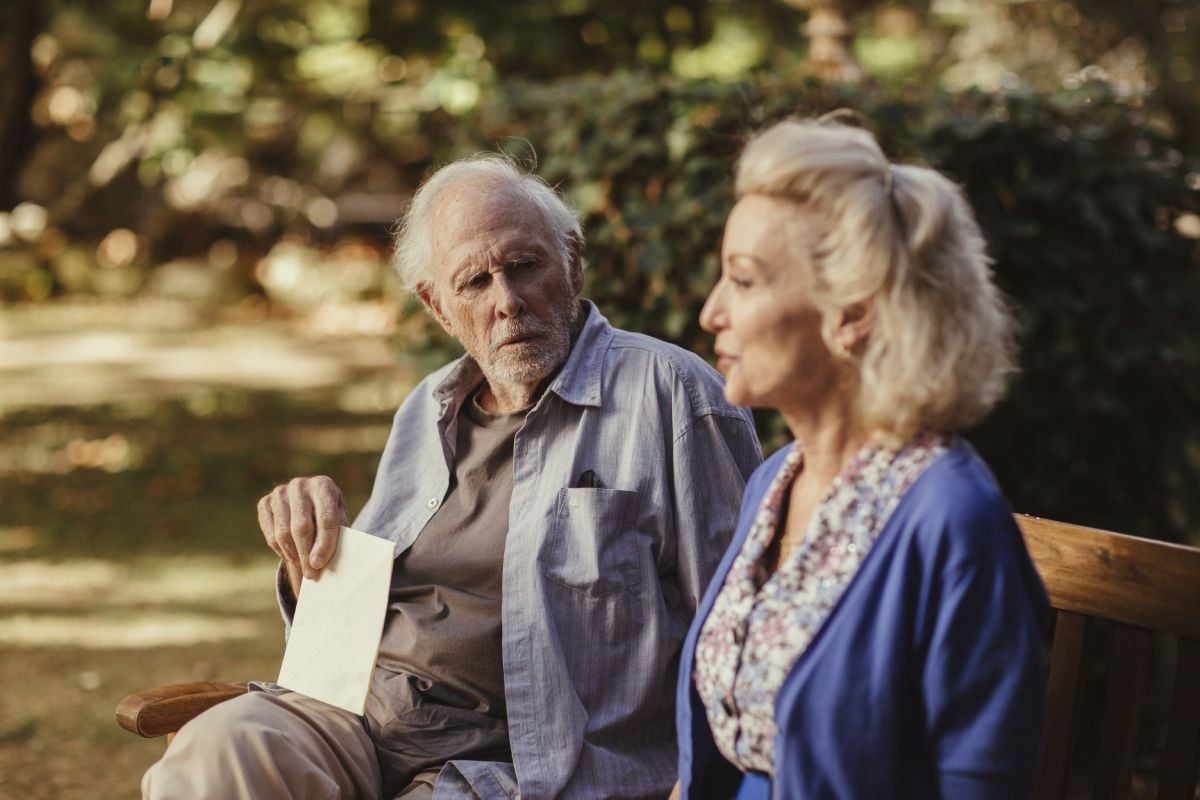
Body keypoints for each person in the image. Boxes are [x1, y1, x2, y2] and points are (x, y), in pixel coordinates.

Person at [143, 155, 763, 800]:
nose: (507, 301)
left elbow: (739, 626)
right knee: (219, 748)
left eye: (525, 266)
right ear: (438, 306)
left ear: (572, 261)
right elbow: (360, 625)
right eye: (475, 281)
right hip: (354, 720)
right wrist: (309, 547)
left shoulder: (672, 395)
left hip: (513, 767)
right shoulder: (427, 407)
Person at [674, 118, 1048, 799]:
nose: (711, 312)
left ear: (854, 313)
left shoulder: (954, 521)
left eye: (745, 280)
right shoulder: (774, 480)